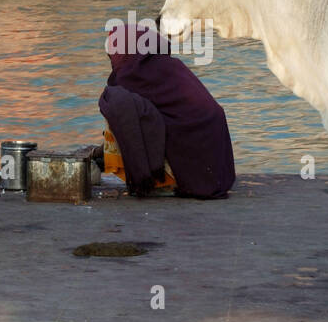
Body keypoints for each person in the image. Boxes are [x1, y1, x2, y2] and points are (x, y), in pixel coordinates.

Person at [98, 26, 236, 199]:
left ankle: (160, 180)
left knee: (116, 104)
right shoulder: (170, 65)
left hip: (195, 151)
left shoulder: (134, 75)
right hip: (216, 165)